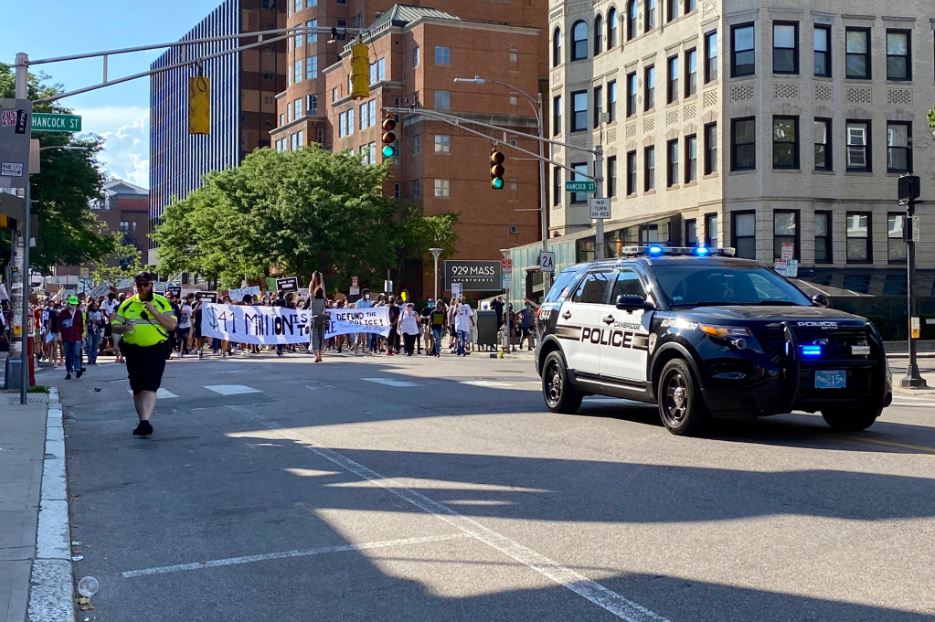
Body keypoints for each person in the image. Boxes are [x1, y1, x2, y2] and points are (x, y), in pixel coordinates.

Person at [111, 271, 178, 437]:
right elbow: (114, 327)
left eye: (145, 284)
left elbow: (172, 325)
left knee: (150, 385)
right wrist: (122, 330)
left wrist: (155, 312)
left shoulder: (162, 302)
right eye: (138, 284)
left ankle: (146, 420)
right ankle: (142, 420)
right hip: (133, 350)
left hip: (156, 349)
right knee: (137, 387)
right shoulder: (126, 304)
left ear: (151, 285)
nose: (141, 288)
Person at [59, 296, 85, 380]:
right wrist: (59, 334)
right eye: (72, 304)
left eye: (75, 304)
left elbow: (81, 325)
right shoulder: (63, 313)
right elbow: (59, 325)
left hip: (77, 336)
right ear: (68, 304)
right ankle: (69, 371)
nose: (74, 306)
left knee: (77, 353)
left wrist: (82, 335)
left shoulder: (78, 313)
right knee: (68, 355)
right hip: (66, 336)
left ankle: (77, 368)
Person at [309, 286, 328, 362]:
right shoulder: (323, 300)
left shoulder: (313, 300)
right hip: (322, 318)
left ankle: (316, 355)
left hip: (314, 319)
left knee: (314, 337)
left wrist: (313, 280)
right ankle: (320, 355)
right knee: (321, 337)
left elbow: (310, 291)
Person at [85, 301, 103, 365]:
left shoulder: (99, 313)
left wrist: (99, 322)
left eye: (96, 306)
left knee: (95, 346)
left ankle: (94, 359)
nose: (95, 307)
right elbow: (85, 321)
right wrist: (89, 321)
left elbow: (102, 323)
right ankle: (89, 359)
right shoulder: (88, 313)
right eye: (93, 306)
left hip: (97, 330)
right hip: (89, 330)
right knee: (90, 345)